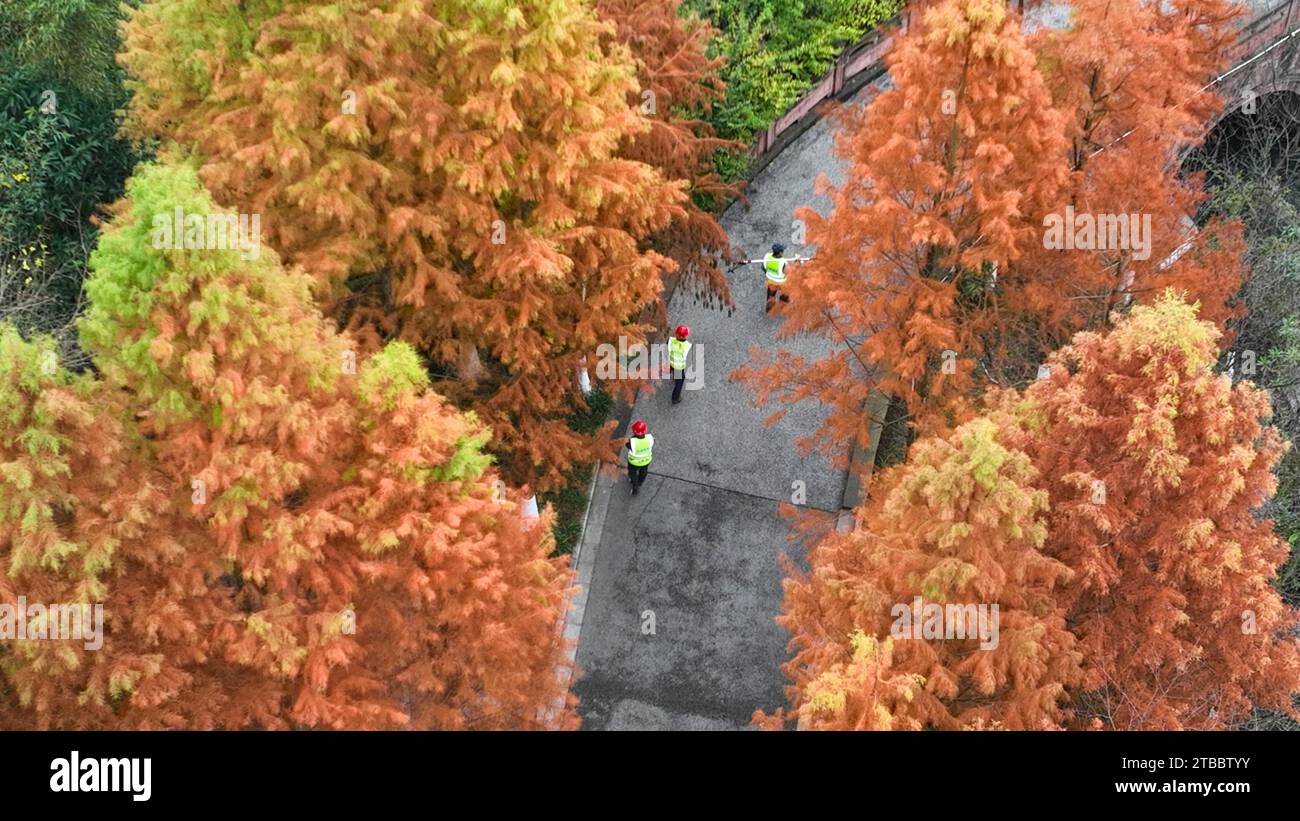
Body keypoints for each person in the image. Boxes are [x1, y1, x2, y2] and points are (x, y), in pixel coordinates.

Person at [762, 242, 803, 313]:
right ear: (780, 253)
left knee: (770, 298)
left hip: (771, 282)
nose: (783, 252)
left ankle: (769, 309)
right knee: (787, 291)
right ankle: (783, 299)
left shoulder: (767, 257)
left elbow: (763, 267)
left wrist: (769, 274)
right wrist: (798, 261)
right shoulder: (783, 262)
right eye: (782, 251)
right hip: (782, 283)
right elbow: (790, 272)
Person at [624, 419, 653, 495]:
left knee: (632, 473)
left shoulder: (632, 441)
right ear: (645, 430)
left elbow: (627, 445)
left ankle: (635, 485)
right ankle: (640, 482)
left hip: (634, 462)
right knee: (643, 472)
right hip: (646, 460)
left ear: (634, 431)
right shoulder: (650, 438)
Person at [667, 324, 692, 404]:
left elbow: (668, 344)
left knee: (675, 371)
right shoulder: (687, 346)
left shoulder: (671, 341)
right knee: (679, 382)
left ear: (676, 334)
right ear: (684, 337)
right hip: (679, 366)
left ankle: (674, 377)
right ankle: (675, 398)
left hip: (672, 362)